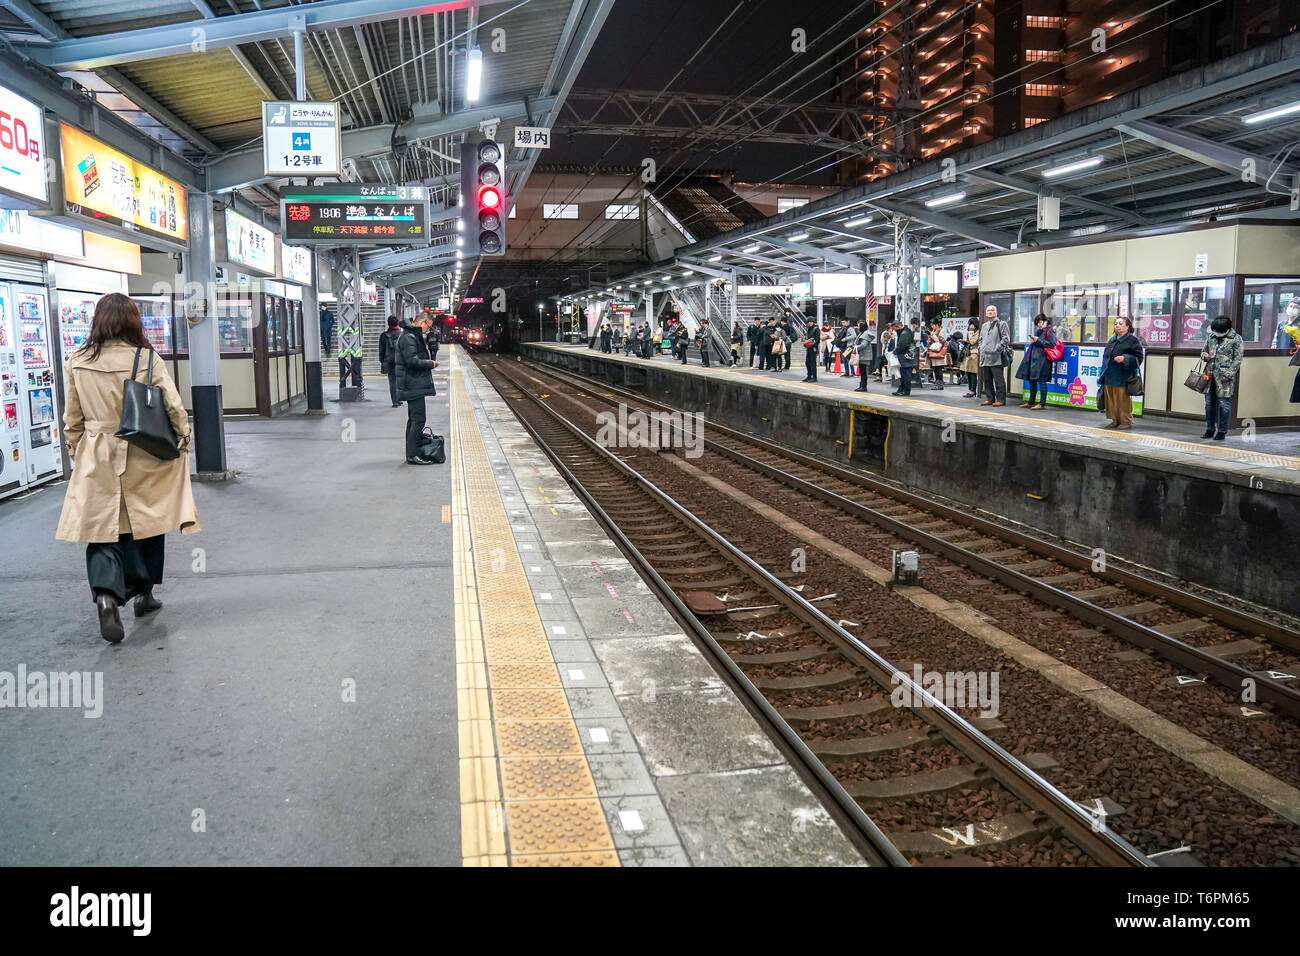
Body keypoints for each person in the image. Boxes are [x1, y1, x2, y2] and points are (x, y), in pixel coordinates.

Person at [56, 293, 199, 643]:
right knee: (146, 523)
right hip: (143, 452)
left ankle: (106, 597)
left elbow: (72, 417)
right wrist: (183, 439)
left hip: (96, 453)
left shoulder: (77, 360)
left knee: (102, 530)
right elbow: (174, 406)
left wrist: (77, 450)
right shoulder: (147, 359)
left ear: (99, 321)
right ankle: (144, 596)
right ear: (134, 321)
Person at [397, 313, 439, 464]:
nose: (428, 329)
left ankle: (411, 453)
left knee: (414, 419)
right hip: (412, 383)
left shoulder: (409, 335)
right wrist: (430, 364)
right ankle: (413, 455)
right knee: (419, 419)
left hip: (413, 383)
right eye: (428, 326)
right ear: (422, 322)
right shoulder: (409, 337)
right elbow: (411, 361)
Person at [1200, 315, 1244, 440]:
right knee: (1209, 403)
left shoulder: (1236, 339)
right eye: (1215, 330)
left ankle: (1222, 431)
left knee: (1223, 404)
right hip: (1209, 375)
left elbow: (1238, 359)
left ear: (1227, 329)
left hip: (1224, 377)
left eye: (1218, 331)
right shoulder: (1211, 336)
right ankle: (1210, 429)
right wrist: (1205, 356)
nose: (1216, 333)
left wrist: (1229, 374)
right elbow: (1203, 351)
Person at [1098, 315, 1143, 430]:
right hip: (1109, 375)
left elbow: (1139, 358)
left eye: (1120, 324)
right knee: (1111, 399)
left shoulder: (1132, 340)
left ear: (1127, 327)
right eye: (1115, 324)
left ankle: (1125, 421)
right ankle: (1115, 420)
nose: (1117, 325)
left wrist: (1125, 358)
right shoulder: (1112, 340)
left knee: (1123, 400)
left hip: (1123, 376)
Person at [1019, 314, 1059, 410]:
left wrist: (1038, 340)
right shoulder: (1039, 331)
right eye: (1038, 323)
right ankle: (1031, 402)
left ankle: (1042, 403)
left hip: (1044, 359)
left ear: (1046, 321)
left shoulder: (1050, 331)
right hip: (1035, 358)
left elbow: (1052, 344)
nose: (1039, 325)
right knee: (1032, 380)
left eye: (1041, 322)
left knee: (1042, 381)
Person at [977, 304, 1010, 406]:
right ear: (986, 313)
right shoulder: (984, 325)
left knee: (998, 379)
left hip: (996, 357)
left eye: (992, 310)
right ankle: (990, 398)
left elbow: (1006, 339)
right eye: (988, 310)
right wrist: (980, 347)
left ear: (996, 312)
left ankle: (1000, 400)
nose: (990, 312)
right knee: (987, 380)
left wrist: (997, 349)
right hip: (985, 357)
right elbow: (980, 339)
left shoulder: (1002, 324)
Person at [378, 315, 403, 407]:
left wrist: (382, 361)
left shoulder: (384, 336)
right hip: (401, 361)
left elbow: (381, 350)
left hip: (389, 361)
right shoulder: (402, 334)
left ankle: (395, 402)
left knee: (392, 381)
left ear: (388, 324)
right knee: (400, 380)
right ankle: (400, 399)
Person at [892, 319, 917, 396]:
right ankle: (901, 389)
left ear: (898, 326)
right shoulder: (906, 331)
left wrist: (895, 352)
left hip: (906, 357)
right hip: (907, 356)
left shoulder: (904, 334)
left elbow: (901, 345)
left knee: (906, 374)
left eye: (894, 329)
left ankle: (905, 390)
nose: (894, 331)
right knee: (904, 374)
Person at [925, 321, 948, 389]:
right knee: (935, 369)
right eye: (931, 325)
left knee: (938, 369)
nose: (932, 326)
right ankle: (937, 383)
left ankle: (940, 384)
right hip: (934, 352)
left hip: (938, 352)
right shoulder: (934, 331)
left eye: (933, 325)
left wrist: (932, 336)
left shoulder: (942, 331)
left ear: (937, 325)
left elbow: (940, 341)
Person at [960, 318, 980, 397]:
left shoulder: (977, 332)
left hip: (974, 354)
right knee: (968, 373)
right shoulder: (971, 332)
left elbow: (972, 341)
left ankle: (973, 391)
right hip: (968, 354)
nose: (970, 326)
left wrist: (971, 331)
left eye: (972, 324)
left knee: (972, 373)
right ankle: (970, 390)